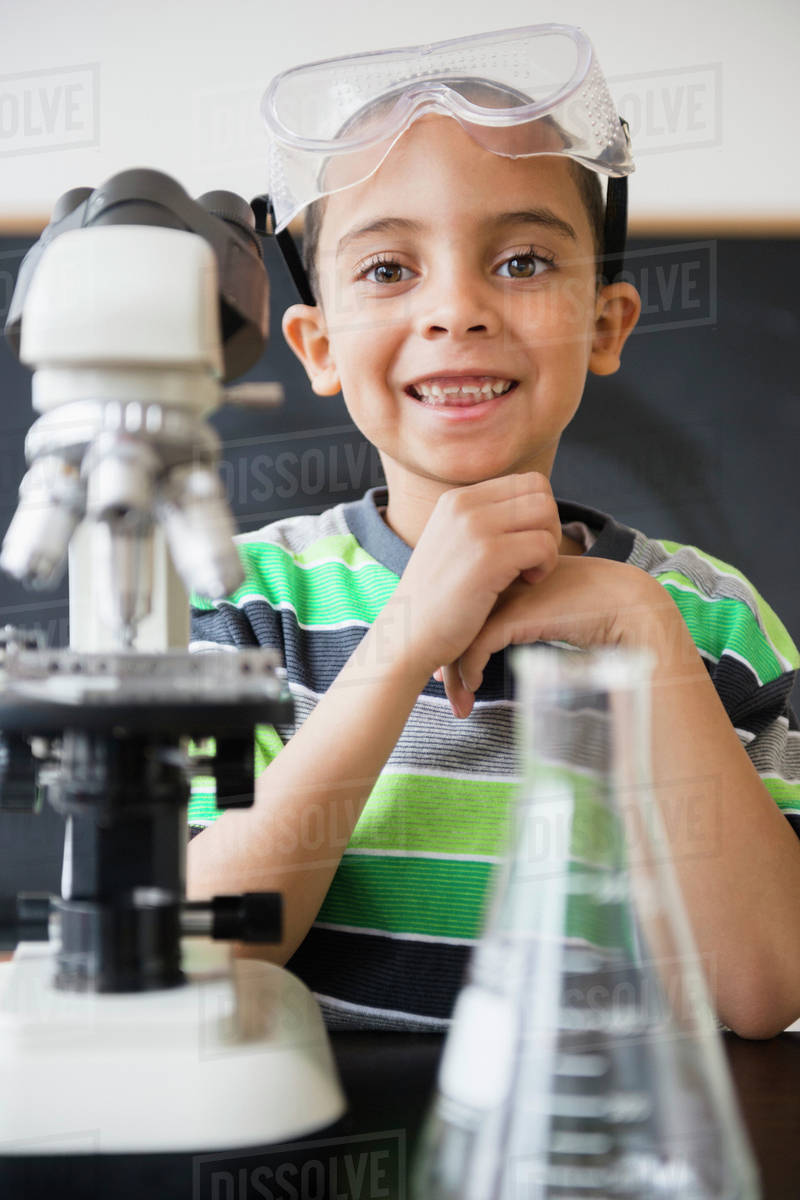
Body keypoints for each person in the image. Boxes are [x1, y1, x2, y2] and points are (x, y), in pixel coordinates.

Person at [187, 25, 800, 1039]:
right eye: (388, 269)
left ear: (602, 326)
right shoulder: (241, 604)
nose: (457, 309)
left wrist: (644, 635)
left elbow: (766, 987)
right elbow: (203, 949)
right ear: (318, 343)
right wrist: (403, 640)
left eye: (519, 260)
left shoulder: (711, 622)